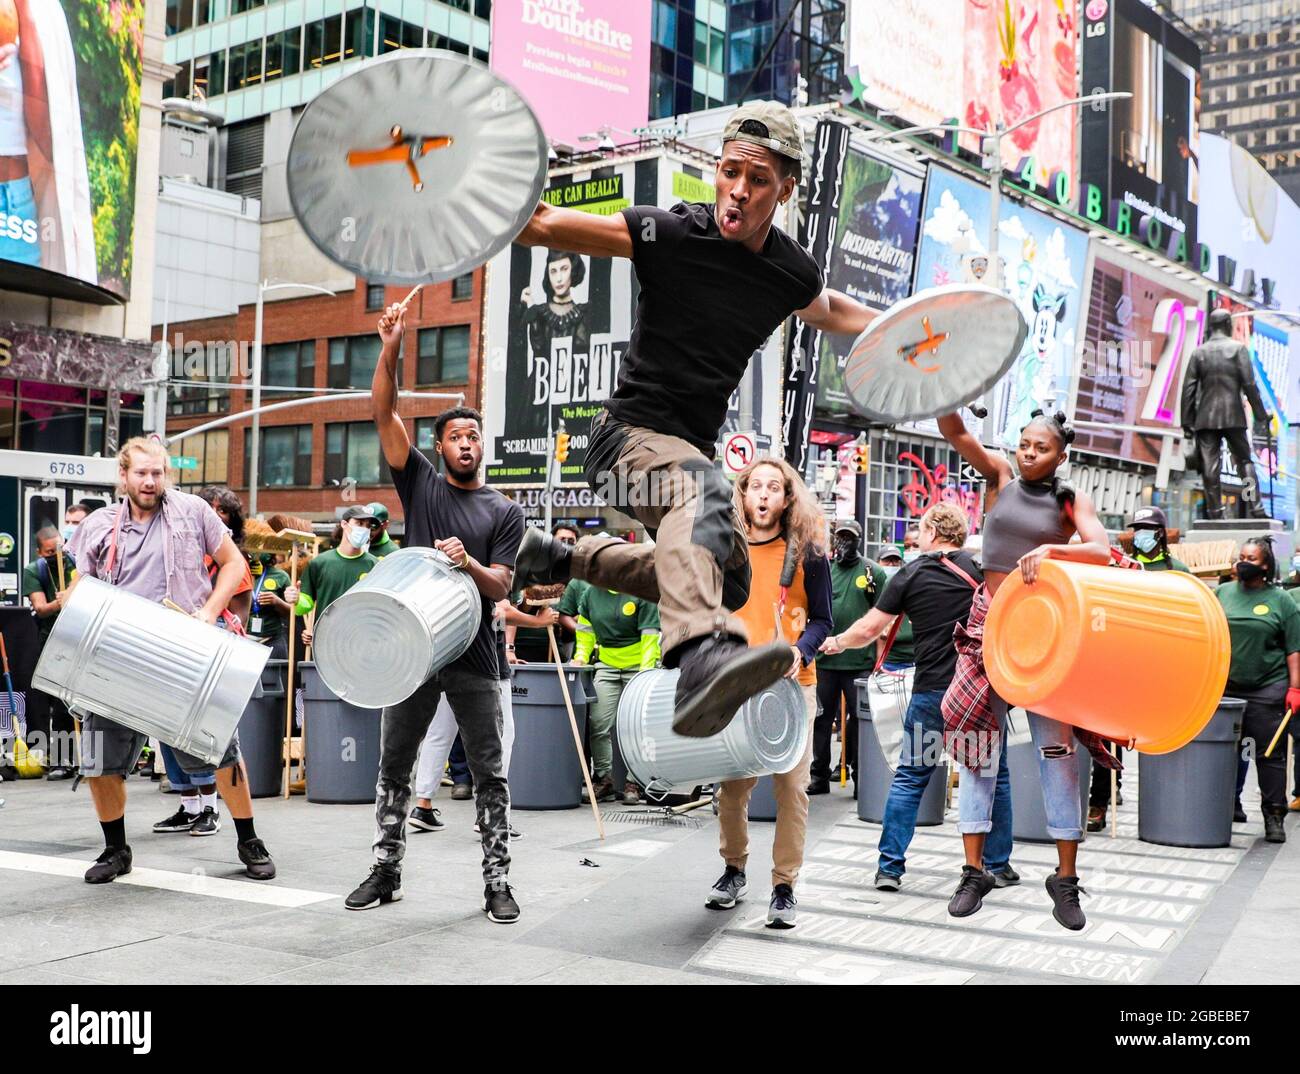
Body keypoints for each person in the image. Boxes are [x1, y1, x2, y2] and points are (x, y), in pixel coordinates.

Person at [511, 100, 880, 739]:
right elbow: (541, 225)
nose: (739, 191)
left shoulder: (789, 270)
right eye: (731, 171)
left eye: (758, 180)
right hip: (620, 447)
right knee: (703, 495)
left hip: (678, 460)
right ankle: (699, 657)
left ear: (785, 189)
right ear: (717, 169)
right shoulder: (672, 235)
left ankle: (565, 558)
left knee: (726, 574)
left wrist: (913, 332)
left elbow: (829, 309)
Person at [345, 301, 524, 925]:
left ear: (482, 446)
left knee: (489, 772)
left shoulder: (504, 511)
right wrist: (391, 345)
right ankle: (386, 868)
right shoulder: (420, 483)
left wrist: (466, 563)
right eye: (456, 436)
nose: (467, 443)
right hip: (415, 655)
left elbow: (500, 586)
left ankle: (497, 880)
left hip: (476, 657)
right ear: (441, 447)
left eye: (474, 436)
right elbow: (382, 411)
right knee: (394, 764)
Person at [936, 408, 1117, 930]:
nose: (1028, 452)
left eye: (1040, 447)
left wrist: (1052, 549)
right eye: (1023, 444)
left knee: (1056, 754)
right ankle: (974, 871)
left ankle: (1064, 878)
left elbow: (1101, 549)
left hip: (1045, 632)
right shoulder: (1000, 478)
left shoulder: (1069, 498)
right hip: (989, 626)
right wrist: (946, 385)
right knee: (976, 750)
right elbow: (955, 432)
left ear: (1061, 456)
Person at [64, 438, 276, 883]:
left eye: (157, 472)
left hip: (182, 650)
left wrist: (208, 612)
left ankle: (248, 839)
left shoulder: (193, 511)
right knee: (100, 760)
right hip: (117, 656)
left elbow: (235, 565)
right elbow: (79, 588)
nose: (149, 480)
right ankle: (115, 849)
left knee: (221, 751)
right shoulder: (100, 525)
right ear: (123, 476)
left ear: (167, 475)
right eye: (141, 472)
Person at [821, 504, 1017, 891]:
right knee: (992, 774)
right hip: (976, 696)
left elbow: (870, 628)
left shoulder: (911, 574)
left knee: (911, 776)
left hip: (931, 695)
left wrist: (836, 642)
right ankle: (998, 864)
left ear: (930, 531)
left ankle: (889, 868)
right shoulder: (982, 573)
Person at [706, 457, 832, 929]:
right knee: (733, 789)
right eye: (754, 486)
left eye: (773, 487)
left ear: (786, 498)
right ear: (741, 495)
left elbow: (823, 620)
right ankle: (734, 870)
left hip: (793, 687)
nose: (762, 494)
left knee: (792, 791)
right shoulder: (725, 551)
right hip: (739, 685)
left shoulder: (807, 553)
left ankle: (784, 886)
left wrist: (801, 650)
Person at [152, 485, 256, 836]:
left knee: (207, 735)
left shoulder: (230, 561)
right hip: (173, 649)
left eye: (221, 512)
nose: (213, 516)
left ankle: (211, 808)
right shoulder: (181, 555)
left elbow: (238, 616)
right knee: (168, 731)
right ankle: (189, 804)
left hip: (211, 654)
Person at [1087, 505, 1189, 832]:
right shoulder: (1120, 567)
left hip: (1159, 663)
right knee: (1108, 733)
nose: (1140, 534)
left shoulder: (1177, 571)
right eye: (1136, 528)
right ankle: (1099, 801)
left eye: (1146, 528)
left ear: (1160, 533)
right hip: (1120, 659)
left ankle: (1162, 804)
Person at [410, 599, 523, 840]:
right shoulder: (495, 569)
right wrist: (539, 621)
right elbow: (500, 610)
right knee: (502, 736)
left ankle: (423, 804)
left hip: (446, 658)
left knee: (439, 732)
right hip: (485, 663)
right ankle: (491, 813)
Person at [0, 0, 96, 279]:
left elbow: (48, 139)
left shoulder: (39, 10)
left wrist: (27, 18)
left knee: (21, 320)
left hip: (17, 209)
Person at [1217, 537, 1300, 844]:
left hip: (1268, 688)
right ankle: (1226, 806)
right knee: (1227, 752)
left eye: (1251, 558)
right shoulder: (1222, 593)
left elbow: (1294, 649)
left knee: (1268, 753)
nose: (1244, 562)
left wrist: (1295, 688)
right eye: (1241, 556)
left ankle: (1274, 815)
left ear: (1265, 565)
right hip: (1226, 689)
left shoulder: (1281, 600)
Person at [809, 519, 885, 795]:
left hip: (859, 663)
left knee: (858, 721)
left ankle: (858, 776)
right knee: (821, 718)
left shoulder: (873, 572)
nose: (844, 543)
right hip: (825, 661)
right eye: (840, 537)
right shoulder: (824, 570)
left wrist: (878, 661)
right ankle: (818, 775)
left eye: (850, 538)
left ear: (859, 540)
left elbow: (883, 619)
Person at [572, 587, 661, 805]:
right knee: (598, 723)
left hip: (639, 666)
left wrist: (645, 672)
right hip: (606, 665)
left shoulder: (642, 593)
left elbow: (650, 637)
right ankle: (605, 780)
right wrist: (581, 658)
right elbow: (585, 631)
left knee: (638, 727)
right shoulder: (590, 594)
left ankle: (634, 783)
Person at [1181, 307, 1271, 520]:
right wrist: (1260, 415)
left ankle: (1215, 512)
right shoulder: (1238, 349)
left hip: (1206, 418)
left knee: (1210, 467)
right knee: (1245, 463)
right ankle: (1255, 507)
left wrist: (1187, 423)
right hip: (1234, 416)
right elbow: (1250, 385)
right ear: (1228, 325)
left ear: (1211, 327)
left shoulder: (1199, 353)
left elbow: (1188, 391)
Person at [21, 526, 77, 779]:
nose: (56, 555)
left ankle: (91, 759)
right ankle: (62, 760)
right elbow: (41, 608)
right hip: (52, 643)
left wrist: (74, 593)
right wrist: (60, 601)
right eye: (50, 552)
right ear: (39, 551)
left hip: (80, 638)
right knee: (59, 702)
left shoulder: (76, 563)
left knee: (81, 703)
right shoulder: (35, 570)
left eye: (60, 549)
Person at [286, 506, 380, 646]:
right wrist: (296, 599)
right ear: (344, 524)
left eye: (368, 526)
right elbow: (305, 607)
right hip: (326, 642)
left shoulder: (375, 566)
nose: (364, 529)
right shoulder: (320, 563)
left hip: (363, 642)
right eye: (359, 523)